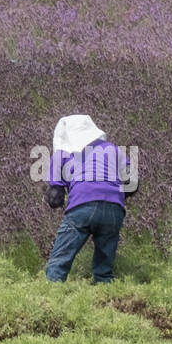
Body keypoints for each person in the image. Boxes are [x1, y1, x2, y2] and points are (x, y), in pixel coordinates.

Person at [45, 114, 137, 283]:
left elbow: (54, 196)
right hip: (114, 209)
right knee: (104, 268)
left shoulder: (63, 154)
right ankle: (105, 295)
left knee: (59, 262)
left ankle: (51, 296)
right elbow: (132, 183)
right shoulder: (114, 149)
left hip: (82, 205)